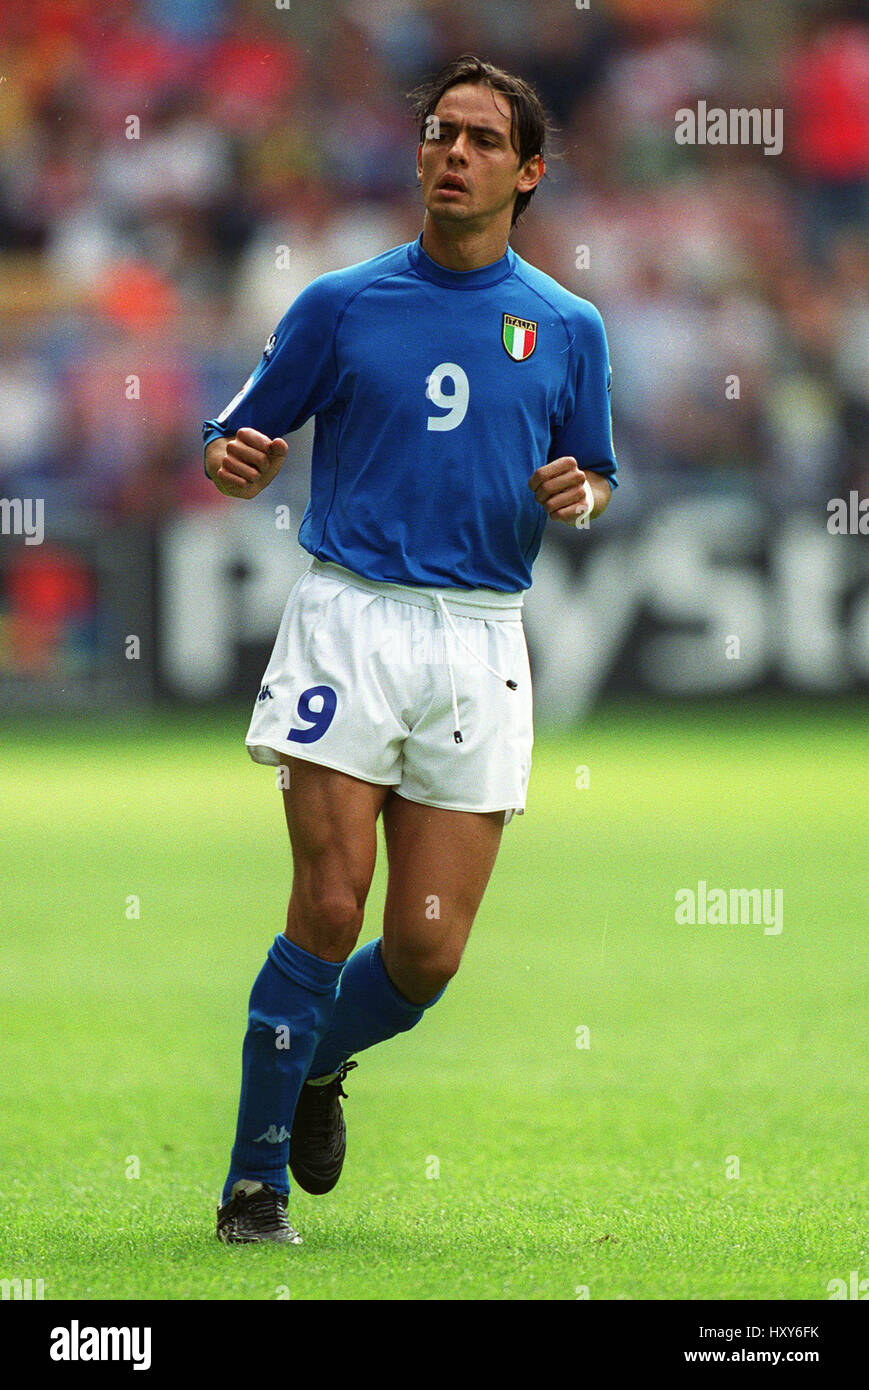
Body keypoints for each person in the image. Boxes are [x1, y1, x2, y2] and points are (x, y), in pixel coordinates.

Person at [202, 54, 617, 1245]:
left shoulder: (566, 325)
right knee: (327, 908)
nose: (452, 153)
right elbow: (238, 433)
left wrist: (574, 493)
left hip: (480, 639)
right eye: (440, 132)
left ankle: (312, 1070)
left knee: (427, 954)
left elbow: (593, 481)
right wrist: (234, 457)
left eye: (483, 140)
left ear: (526, 172)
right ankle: (252, 1185)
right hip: (352, 620)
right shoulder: (340, 302)